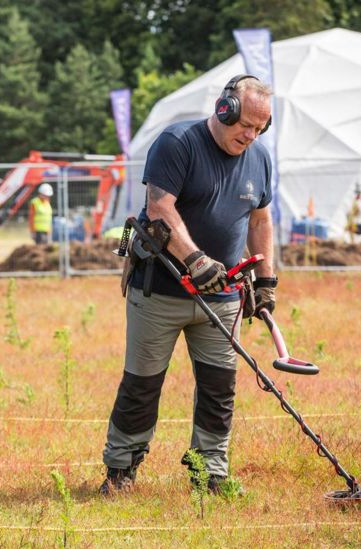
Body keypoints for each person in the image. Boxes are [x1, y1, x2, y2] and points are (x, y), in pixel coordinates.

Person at [100, 75, 277, 495]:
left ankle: (210, 473)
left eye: (259, 128)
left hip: (224, 297)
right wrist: (195, 260)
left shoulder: (260, 158)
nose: (249, 135)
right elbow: (159, 208)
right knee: (142, 385)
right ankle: (121, 470)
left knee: (219, 388)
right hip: (159, 290)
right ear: (224, 109)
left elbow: (260, 219)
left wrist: (266, 281)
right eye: (244, 124)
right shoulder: (177, 142)